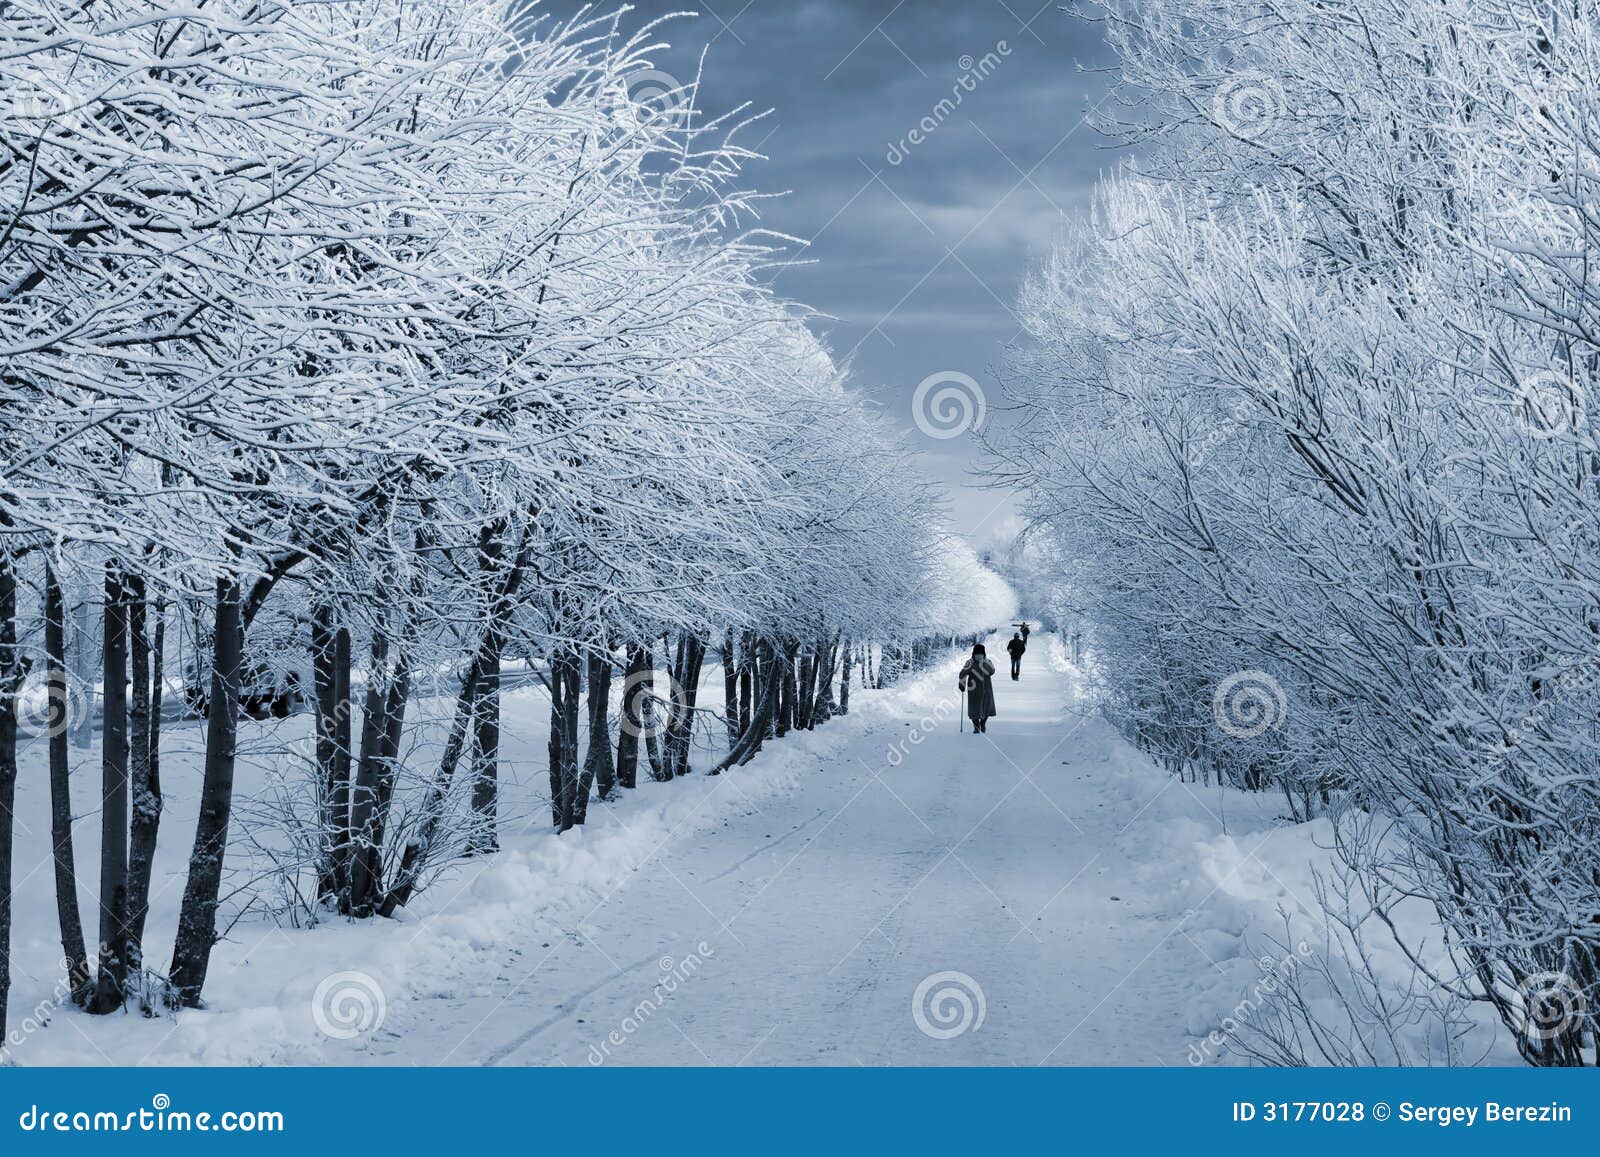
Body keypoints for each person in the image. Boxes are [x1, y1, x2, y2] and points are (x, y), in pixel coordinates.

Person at [959, 643, 997, 733]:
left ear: (984, 654)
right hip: (974, 690)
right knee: (974, 708)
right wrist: (962, 684)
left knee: (986, 708)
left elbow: (992, 671)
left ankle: (982, 724)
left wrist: (984, 663)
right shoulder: (970, 662)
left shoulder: (988, 662)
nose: (979, 656)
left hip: (986, 689)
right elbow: (963, 673)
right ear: (973, 654)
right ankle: (977, 726)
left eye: (981, 654)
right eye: (977, 654)